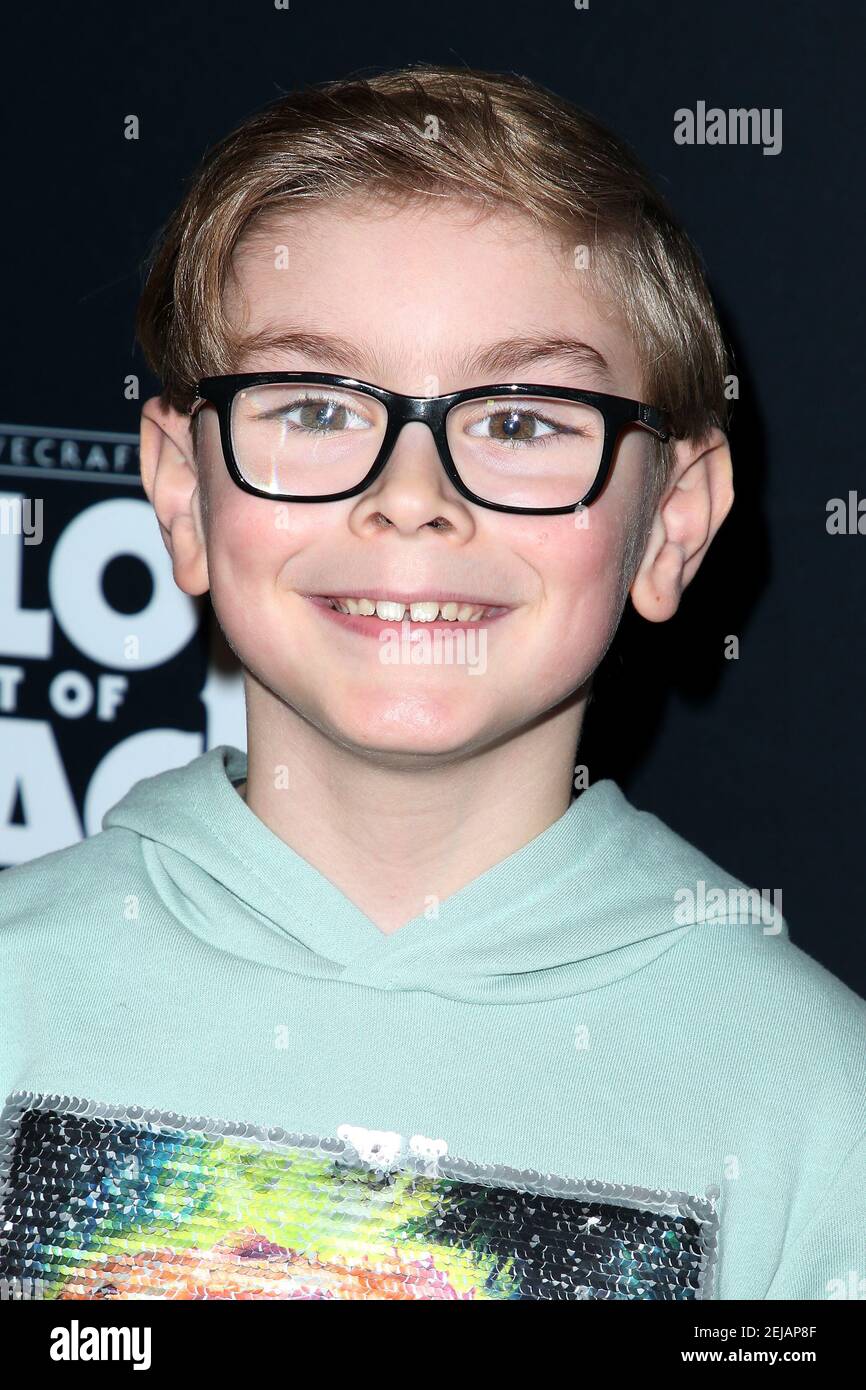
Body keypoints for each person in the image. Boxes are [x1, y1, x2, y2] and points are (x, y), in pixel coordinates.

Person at [1, 65, 863, 1302]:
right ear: (183, 491)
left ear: (670, 521)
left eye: (520, 422)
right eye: (312, 407)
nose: (410, 497)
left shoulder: (823, 1110)